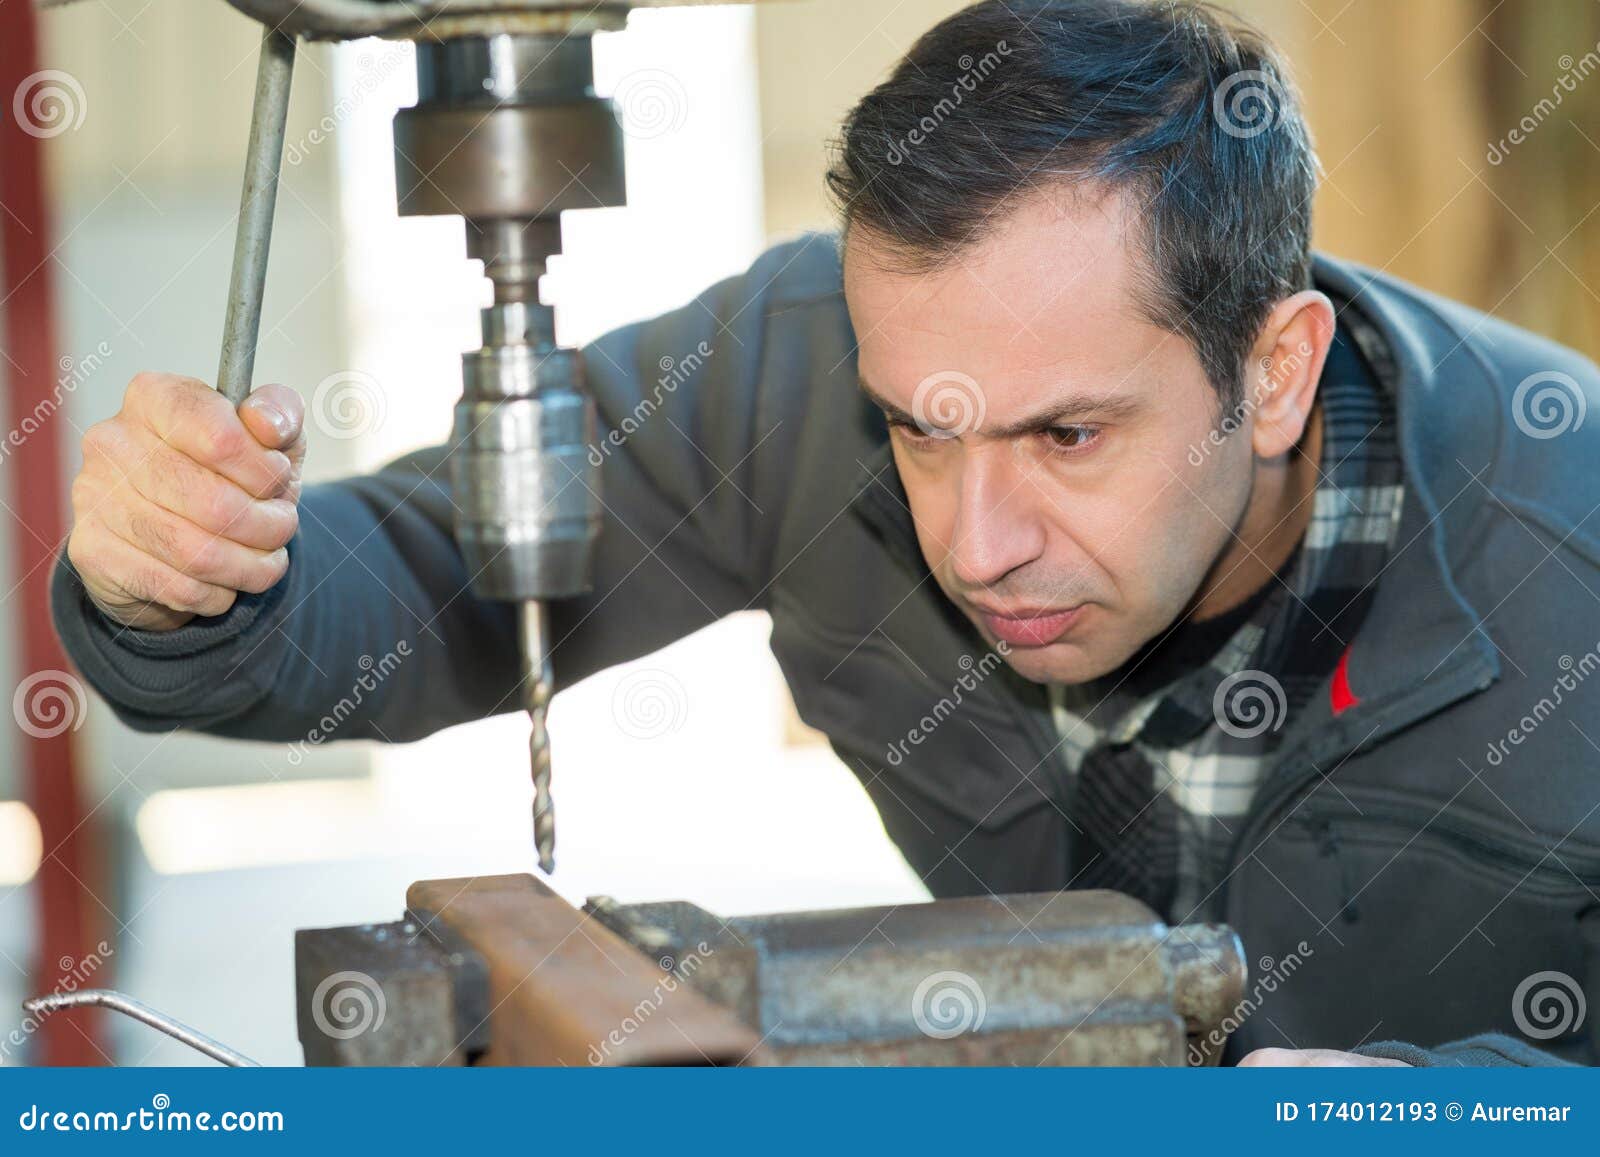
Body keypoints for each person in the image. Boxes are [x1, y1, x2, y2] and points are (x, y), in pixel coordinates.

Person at [52, 0, 1598, 1067]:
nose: (978, 543)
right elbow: (408, 579)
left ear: (1275, 373)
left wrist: (1438, 1102)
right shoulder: (797, 370)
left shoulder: (1566, 558)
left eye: (1067, 436)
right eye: (919, 428)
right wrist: (183, 577)